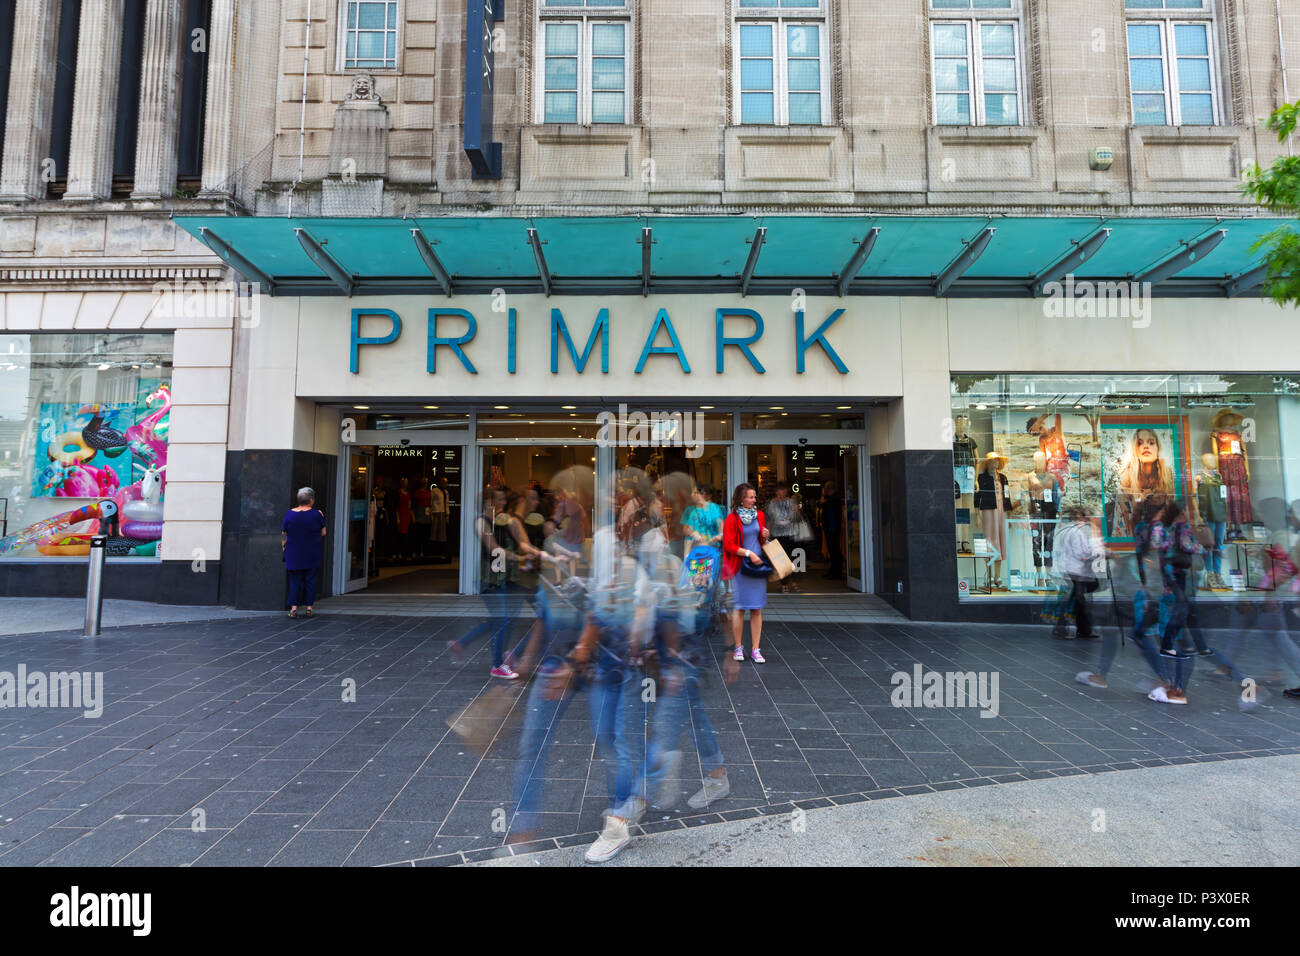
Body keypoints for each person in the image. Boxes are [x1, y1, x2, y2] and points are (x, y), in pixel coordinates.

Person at [722, 482, 770, 663]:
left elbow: (762, 542)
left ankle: (756, 649)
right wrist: (748, 553)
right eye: (750, 497)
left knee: (757, 608)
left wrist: (765, 536)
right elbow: (728, 545)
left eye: (755, 497)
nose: (754, 500)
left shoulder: (760, 515)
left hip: (757, 567)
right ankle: (738, 647)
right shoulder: (732, 519)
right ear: (741, 499)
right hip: (741, 567)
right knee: (740, 608)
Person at [1051, 504, 1104, 640]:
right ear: (1080, 517)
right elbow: (1081, 553)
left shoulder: (1067, 530)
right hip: (1077, 570)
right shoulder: (1077, 532)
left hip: (1072, 569)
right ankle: (1067, 628)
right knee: (1076, 600)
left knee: (1076, 599)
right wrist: (1097, 554)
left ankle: (1078, 628)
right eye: (1086, 517)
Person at [282, 486, 327, 618]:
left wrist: (284, 547)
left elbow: (284, 533)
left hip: (293, 553)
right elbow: (323, 532)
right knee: (310, 580)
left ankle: (293, 609)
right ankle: (308, 608)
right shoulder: (316, 514)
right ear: (311, 500)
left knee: (295, 581)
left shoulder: (289, 514)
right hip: (312, 552)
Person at [765, 481, 805, 593]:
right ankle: (784, 584)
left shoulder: (791, 502)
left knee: (789, 559)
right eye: (779, 489)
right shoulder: (771, 503)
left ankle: (785, 582)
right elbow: (768, 519)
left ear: (786, 491)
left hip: (790, 534)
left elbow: (798, 518)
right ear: (776, 491)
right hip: (776, 534)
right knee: (780, 560)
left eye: (784, 489)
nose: (782, 492)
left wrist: (797, 511)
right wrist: (767, 534)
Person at [682, 484, 725, 554]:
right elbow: (686, 529)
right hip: (694, 548)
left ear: (708, 496)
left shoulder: (715, 508)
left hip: (711, 548)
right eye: (695, 493)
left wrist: (718, 536)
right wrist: (694, 534)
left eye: (701, 493)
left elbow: (722, 530)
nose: (697, 496)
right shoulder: (693, 511)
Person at [820, 479, 843, 579]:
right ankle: (834, 570)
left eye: (825, 488)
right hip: (830, 527)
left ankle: (836, 572)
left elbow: (822, 504)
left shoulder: (834, 498)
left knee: (834, 550)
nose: (824, 490)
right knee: (832, 550)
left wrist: (823, 495)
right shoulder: (833, 498)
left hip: (832, 527)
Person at [429, 477, 449, 561]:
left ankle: (441, 551)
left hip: (442, 513)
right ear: (441, 483)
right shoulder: (435, 491)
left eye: (446, 483)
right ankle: (433, 551)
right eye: (444, 482)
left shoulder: (446, 492)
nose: (445, 484)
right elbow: (431, 502)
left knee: (442, 533)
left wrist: (447, 514)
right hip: (436, 512)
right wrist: (431, 514)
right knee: (434, 531)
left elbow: (446, 503)